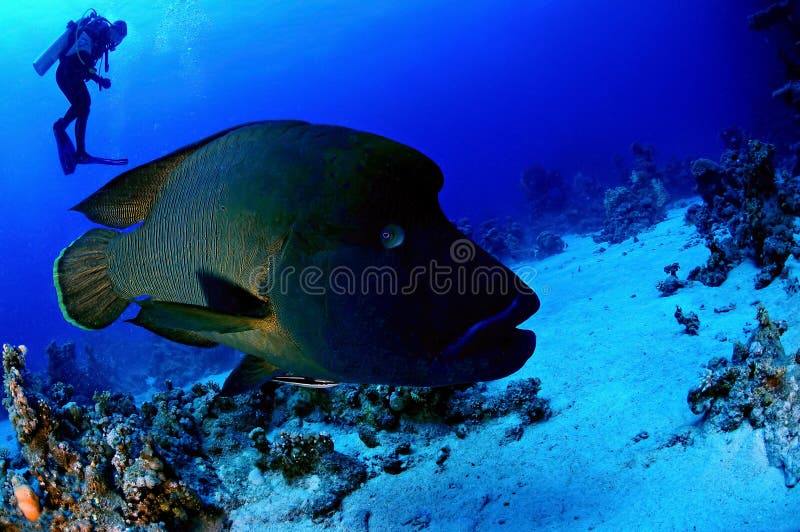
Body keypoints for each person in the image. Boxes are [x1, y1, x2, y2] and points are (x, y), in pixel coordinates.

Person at [53, 13, 127, 169]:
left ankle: (80, 153)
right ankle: (60, 127)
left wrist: (96, 77)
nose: (116, 41)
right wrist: (100, 80)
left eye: (119, 40)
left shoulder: (100, 42)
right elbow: (81, 59)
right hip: (67, 71)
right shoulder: (95, 31)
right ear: (112, 28)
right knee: (84, 103)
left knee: (83, 108)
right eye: (117, 36)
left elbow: (85, 65)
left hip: (69, 74)